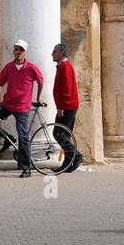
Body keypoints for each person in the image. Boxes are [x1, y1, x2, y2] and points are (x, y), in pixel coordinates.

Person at [0, 40, 44, 179]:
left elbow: (41, 81)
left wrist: (39, 97)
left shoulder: (31, 68)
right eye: (16, 49)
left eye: (21, 50)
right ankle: (8, 138)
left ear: (25, 52)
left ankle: (26, 168)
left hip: (22, 107)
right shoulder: (9, 67)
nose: (18, 52)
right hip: (8, 104)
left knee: (23, 137)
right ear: (13, 51)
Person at [52, 42, 83, 173]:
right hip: (68, 105)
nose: (52, 54)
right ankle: (68, 161)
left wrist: (61, 108)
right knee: (63, 134)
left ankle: (76, 156)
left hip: (67, 106)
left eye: (54, 51)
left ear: (61, 53)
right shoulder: (62, 66)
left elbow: (66, 90)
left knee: (58, 134)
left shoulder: (64, 66)